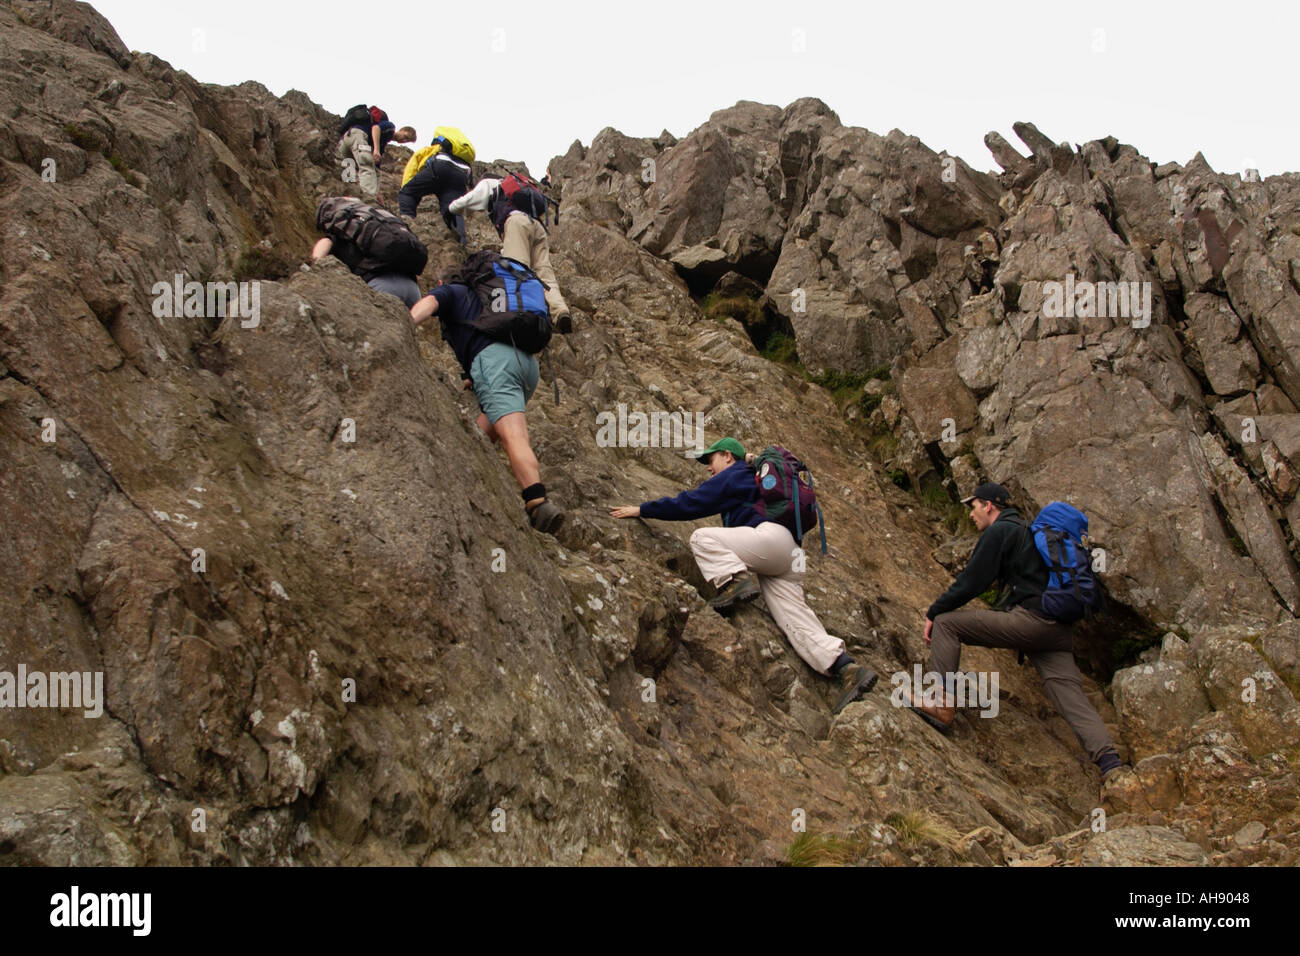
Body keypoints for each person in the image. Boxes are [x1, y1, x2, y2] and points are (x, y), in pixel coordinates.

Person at [610, 438, 877, 714]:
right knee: (793, 618)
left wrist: (644, 509)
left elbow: (692, 503)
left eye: (710, 460)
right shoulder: (751, 476)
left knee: (702, 538)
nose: (708, 469)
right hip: (789, 555)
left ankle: (734, 582)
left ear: (728, 456)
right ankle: (845, 668)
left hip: (770, 540)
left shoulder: (735, 474)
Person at [905, 482, 1126, 781]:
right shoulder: (1029, 532)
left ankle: (941, 703)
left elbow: (972, 582)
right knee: (1069, 694)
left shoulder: (1001, 531)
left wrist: (933, 612)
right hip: (1058, 630)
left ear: (989, 505)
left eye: (973, 507)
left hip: (1031, 621)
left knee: (947, 623)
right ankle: (1111, 763)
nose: (972, 516)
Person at [409, 272, 564, 534]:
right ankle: (460, 476)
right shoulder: (489, 299)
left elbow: (429, 305)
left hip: (496, 362)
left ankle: (537, 501)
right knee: (477, 439)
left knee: (513, 435)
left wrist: (405, 322)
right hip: (526, 365)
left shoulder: (451, 291)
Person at [448, 177, 571, 333]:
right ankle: (560, 311)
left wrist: (450, 208)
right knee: (545, 273)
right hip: (538, 227)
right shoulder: (515, 186)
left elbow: (466, 202)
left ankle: (522, 311)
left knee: (517, 270)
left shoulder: (489, 184)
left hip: (516, 223)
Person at [398, 142, 473, 243]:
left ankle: (407, 224)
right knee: (452, 209)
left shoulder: (431, 149)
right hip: (462, 174)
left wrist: (406, 188)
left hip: (441, 166)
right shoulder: (462, 157)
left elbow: (412, 166)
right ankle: (461, 243)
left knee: (408, 192)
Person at [336, 107, 416, 201]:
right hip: (358, 136)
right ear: (402, 130)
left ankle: (348, 194)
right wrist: (376, 150)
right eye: (405, 136)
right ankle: (369, 199)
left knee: (349, 165)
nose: (404, 140)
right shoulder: (390, 128)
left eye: (407, 141)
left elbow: (377, 168)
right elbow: (376, 128)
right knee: (367, 166)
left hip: (346, 140)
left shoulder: (383, 141)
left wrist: (377, 191)